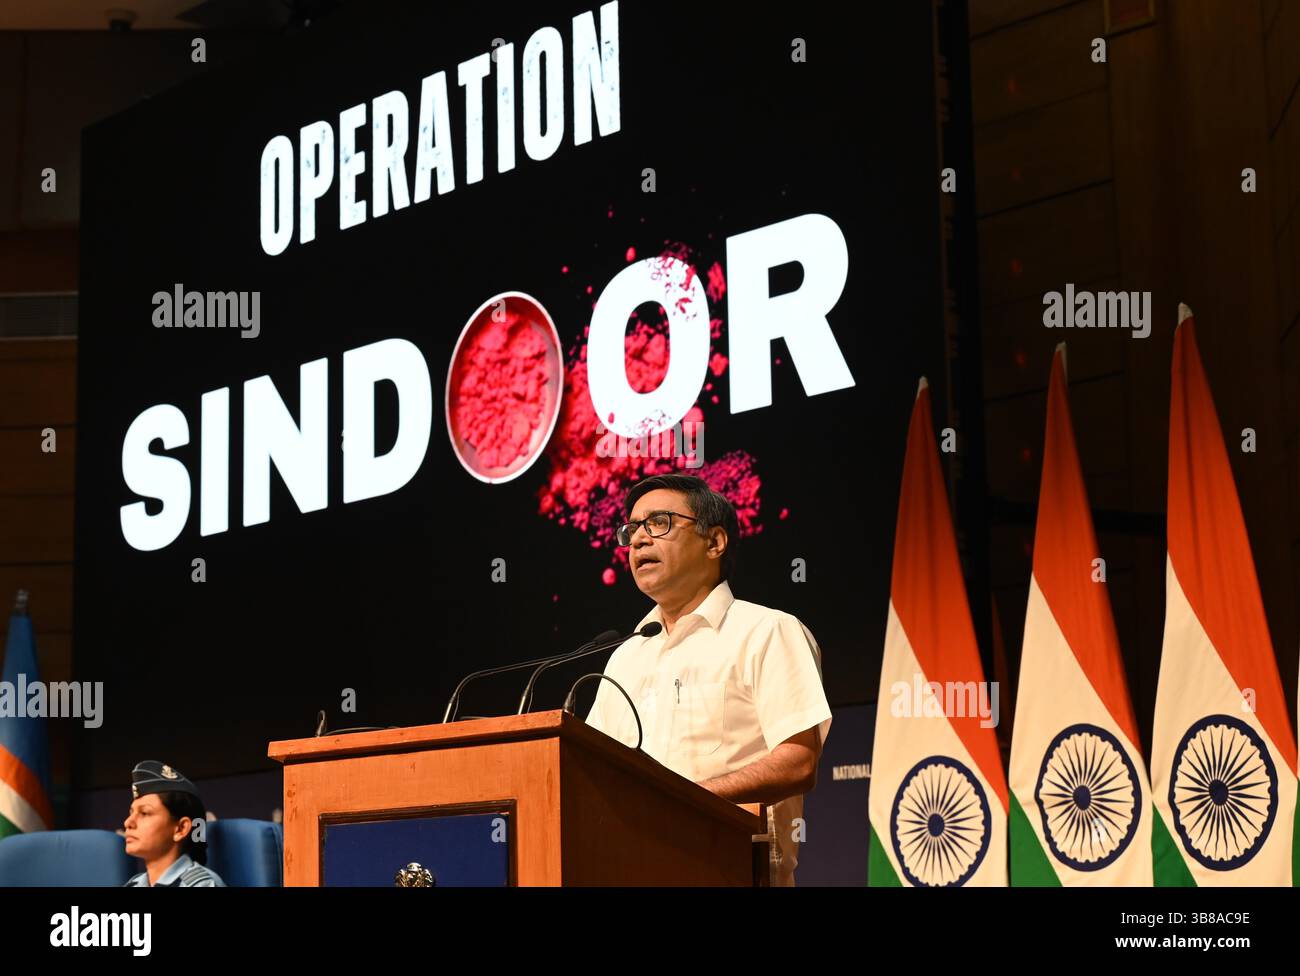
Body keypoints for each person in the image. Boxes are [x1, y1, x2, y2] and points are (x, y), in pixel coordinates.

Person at [584, 473, 832, 885]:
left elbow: (798, 762)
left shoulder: (767, 631)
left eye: (659, 523)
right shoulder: (625, 656)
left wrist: (683, 801)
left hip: (732, 871)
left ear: (715, 542)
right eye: (631, 530)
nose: (639, 541)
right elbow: (591, 772)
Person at [122, 760, 225, 887]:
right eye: (131, 813)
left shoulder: (201, 884)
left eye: (145, 813)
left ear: (181, 829)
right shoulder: (133, 885)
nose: (128, 822)